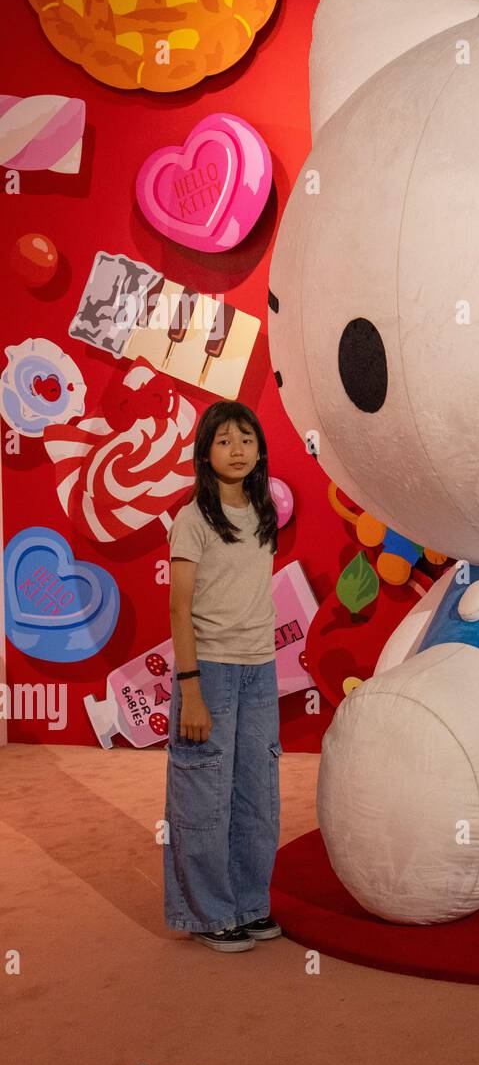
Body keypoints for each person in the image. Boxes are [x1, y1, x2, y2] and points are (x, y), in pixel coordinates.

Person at [163, 400, 283, 953]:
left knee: (258, 795)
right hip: (208, 671)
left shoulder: (264, 513)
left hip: (259, 670)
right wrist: (190, 689)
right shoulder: (192, 520)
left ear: (259, 450)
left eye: (247, 439)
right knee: (203, 795)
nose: (237, 450)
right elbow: (178, 609)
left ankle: (249, 904)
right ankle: (210, 913)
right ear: (204, 453)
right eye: (224, 441)